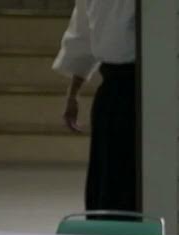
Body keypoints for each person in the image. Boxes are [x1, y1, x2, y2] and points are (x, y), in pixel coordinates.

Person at [53, 0, 138, 212]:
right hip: (114, 89)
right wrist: (72, 94)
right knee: (108, 181)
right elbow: (82, 37)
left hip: (153, 87)